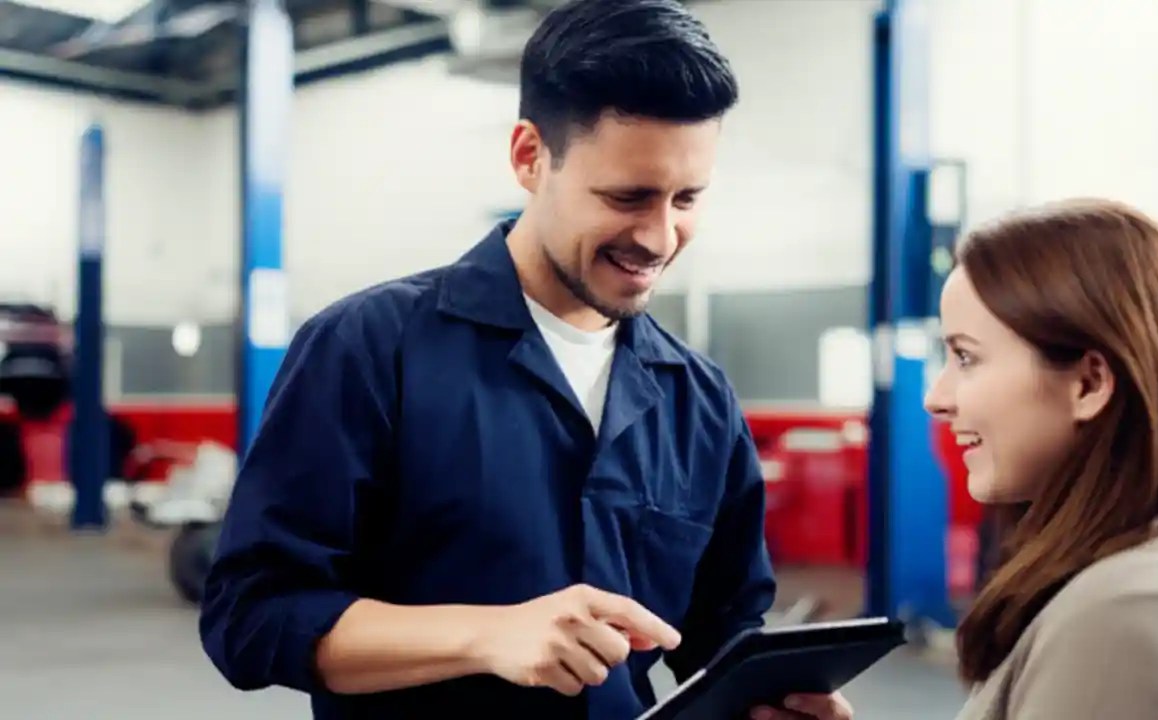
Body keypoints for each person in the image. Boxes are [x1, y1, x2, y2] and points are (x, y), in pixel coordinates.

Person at [198, 1, 853, 718]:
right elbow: (252, 617)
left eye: (687, 199)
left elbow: (724, 632)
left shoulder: (698, 399)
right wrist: (485, 634)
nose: (661, 236)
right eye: (627, 196)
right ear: (529, 157)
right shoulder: (368, 350)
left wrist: (773, 701)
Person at [918, 199, 1158, 719]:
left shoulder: (1128, 618)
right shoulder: (1157, 565)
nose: (937, 397)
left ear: (1089, 383)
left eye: (967, 357)